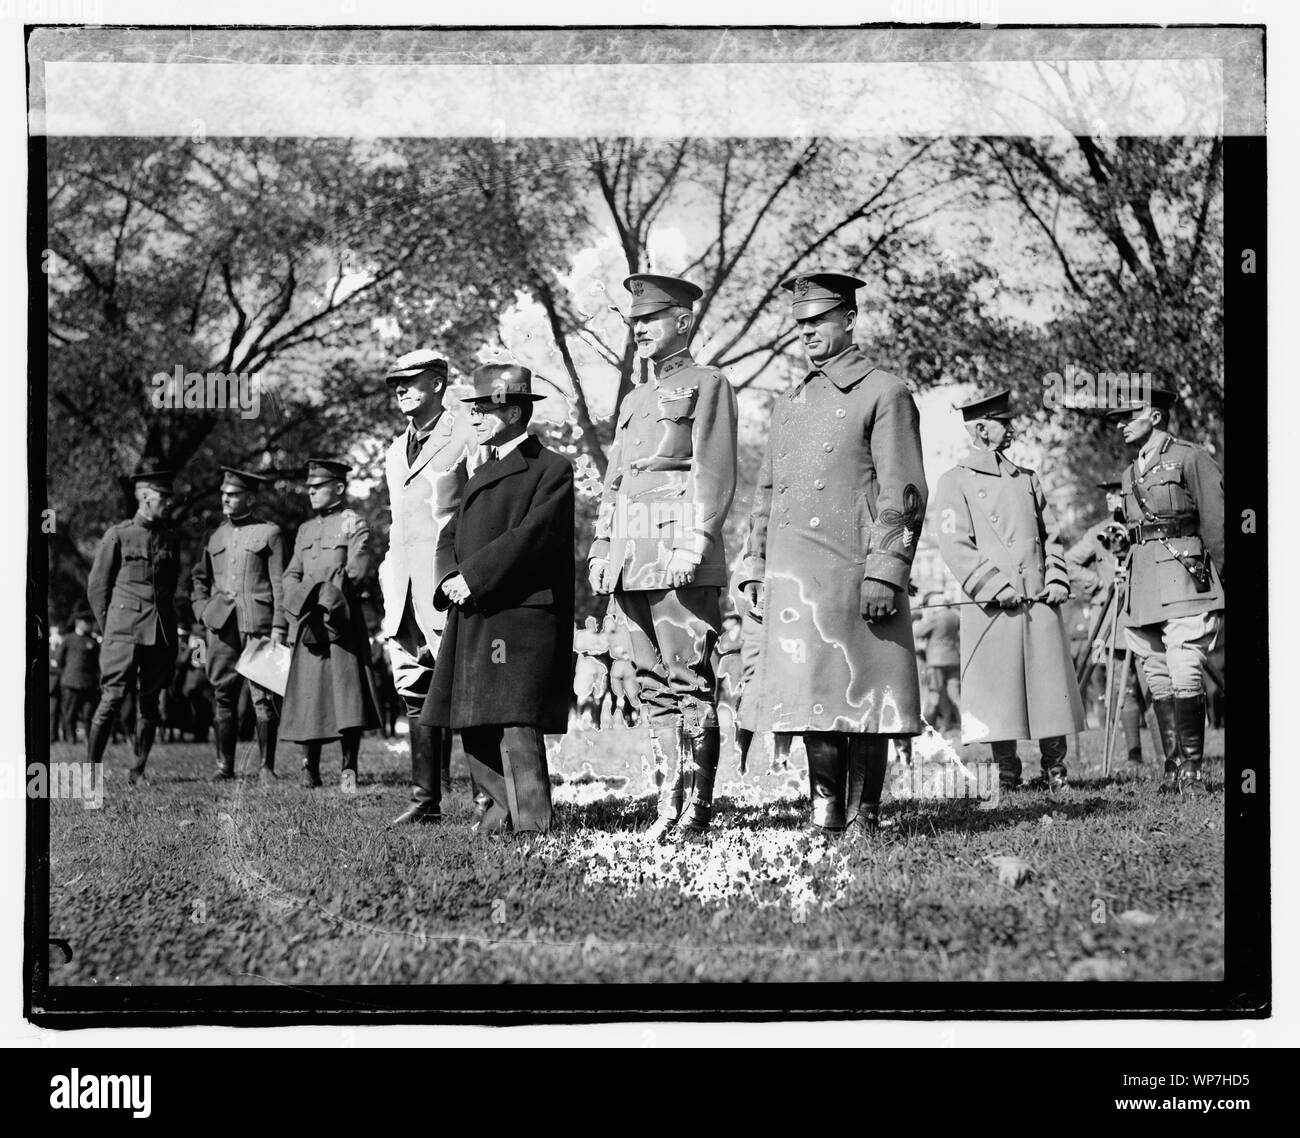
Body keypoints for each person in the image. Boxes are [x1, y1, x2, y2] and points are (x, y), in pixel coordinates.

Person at [739, 271, 927, 839]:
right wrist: (754, 566)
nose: (808, 333)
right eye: (800, 324)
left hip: (855, 568)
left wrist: (886, 572)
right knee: (811, 697)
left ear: (849, 319)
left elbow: (905, 491)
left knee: (863, 691)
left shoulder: (884, 390)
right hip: (796, 576)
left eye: (818, 320)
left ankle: (865, 815)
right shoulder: (792, 402)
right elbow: (766, 493)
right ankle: (825, 813)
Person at [588, 273, 739, 843]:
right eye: (634, 323)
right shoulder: (633, 400)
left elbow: (714, 467)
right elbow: (616, 482)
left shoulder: (708, 383)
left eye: (649, 320)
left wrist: (693, 543)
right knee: (650, 683)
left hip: (678, 556)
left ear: (682, 321)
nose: (640, 331)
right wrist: (604, 548)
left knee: (690, 680)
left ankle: (699, 808)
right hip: (632, 557)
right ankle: (667, 804)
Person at [422, 364, 575, 836]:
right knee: (474, 717)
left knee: (514, 718)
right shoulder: (481, 469)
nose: (477, 418)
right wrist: (450, 576)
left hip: (517, 610)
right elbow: (450, 532)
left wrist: (473, 577)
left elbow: (533, 537)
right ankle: (499, 811)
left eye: (485, 409)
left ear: (513, 410)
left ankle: (532, 822)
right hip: (475, 606)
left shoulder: (551, 468)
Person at [934, 389, 1085, 792]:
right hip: (992, 606)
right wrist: (994, 587)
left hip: (1038, 600)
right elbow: (955, 545)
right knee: (999, 691)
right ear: (982, 429)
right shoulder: (954, 482)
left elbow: (1052, 536)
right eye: (1005, 421)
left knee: (1050, 687)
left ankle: (1055, 771)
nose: (1013, 428)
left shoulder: (1028, 479)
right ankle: (1007, 772)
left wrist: (1055, 580)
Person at [1107, 386, 1224, 795]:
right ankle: (1173, 767)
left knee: (1185, 664)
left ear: (1155, 417)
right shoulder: (1129, 473)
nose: (1120, 424)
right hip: (1144, 585)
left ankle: (1192, 769)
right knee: (1156, 674)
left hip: (1184, 572)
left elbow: (1217, 523)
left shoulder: (1191, 458)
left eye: (1128, 416)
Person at [378, 350, 474, 825]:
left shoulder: (468, 435)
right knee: (414, 689)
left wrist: (471, 574)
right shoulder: (396, 449)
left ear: (439, 382)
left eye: (411, 380)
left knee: (466, 688)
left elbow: (481, 511)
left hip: (448, 583)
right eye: (395, 381)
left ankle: (487, 803)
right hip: (402, 589)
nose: (400, 388)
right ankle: (425, 802)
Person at [280, 459, 381, 793]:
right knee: (309, 696)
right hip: (310, 621)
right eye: (309, 487)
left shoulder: (354, 524)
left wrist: (323, 591)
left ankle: (348, 769)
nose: (311, 492)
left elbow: (356, 569)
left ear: (338, 488)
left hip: (341, 620)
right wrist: (301, 597)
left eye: (318, 487)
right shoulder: (305, 530)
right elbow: (291, 574)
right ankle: (309, 768)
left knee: (346, 697)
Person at [84, 467, 182, 784]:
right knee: (111, 699)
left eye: (170, 496)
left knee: (150, 704)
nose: (168, 502)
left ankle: (138, 770)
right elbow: (98, 587)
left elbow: (170, 584)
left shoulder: (170, 537)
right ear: (143, 496)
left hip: (160, 632)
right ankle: (91, 772)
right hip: (123, 634)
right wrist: (111, 626)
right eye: (162, 496)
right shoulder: (118, 535)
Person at [190, 467, 288, 780]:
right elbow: (199, 579)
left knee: (263, 698)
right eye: (223, 495)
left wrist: (278, 627)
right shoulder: (215, 535)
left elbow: (280, 583)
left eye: (233, 495)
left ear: (250, 498)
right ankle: (224, 767)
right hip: (221, 630)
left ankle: (266, 768)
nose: (226, 499)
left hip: (258, 626)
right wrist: (202, 611)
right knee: (223, 695)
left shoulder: (269, 533)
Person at [1065, 480, 1149, 767]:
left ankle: (1170, 756)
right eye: (1110, 494)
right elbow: (1069, 562)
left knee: (1154, 683)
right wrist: (1099, 584)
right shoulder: (1096, 533)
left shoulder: (1147, 524)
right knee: (1121, 686)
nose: (1113, 498)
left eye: (1119, 492)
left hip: (1147, 610)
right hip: (1112, 616)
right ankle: (1133, 754)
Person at [912, 595, 961, 734]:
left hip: (936, 661)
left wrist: (926, 616)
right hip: (953, 659)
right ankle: (963, 725)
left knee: (935, 694)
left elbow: (918, 632)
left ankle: (928, 728)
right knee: (955, 695)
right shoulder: (955, 616)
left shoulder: (935, 617)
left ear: (935, 605)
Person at [56, 612, 100, 744]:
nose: (89, 625)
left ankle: (89, 738)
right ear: (78, 623)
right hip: (70, 682)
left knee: (89, 713)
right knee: (70, 713)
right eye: (86, 622)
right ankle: (71, 738)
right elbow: (59, 659)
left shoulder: (92, 642)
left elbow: (97, 663)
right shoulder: (68, 639)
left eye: (90, 622)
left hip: (89, 683)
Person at [572, 615, 610, 730]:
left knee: (599, 694)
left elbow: (605, 648)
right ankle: (579, 718)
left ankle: (596, 721)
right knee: (582, 695)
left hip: (599, 665)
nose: (592, 626)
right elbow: (576, 648)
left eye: (594, 623)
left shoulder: (600, 637)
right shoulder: (581, 635)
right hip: (586, 665)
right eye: (589, 623)